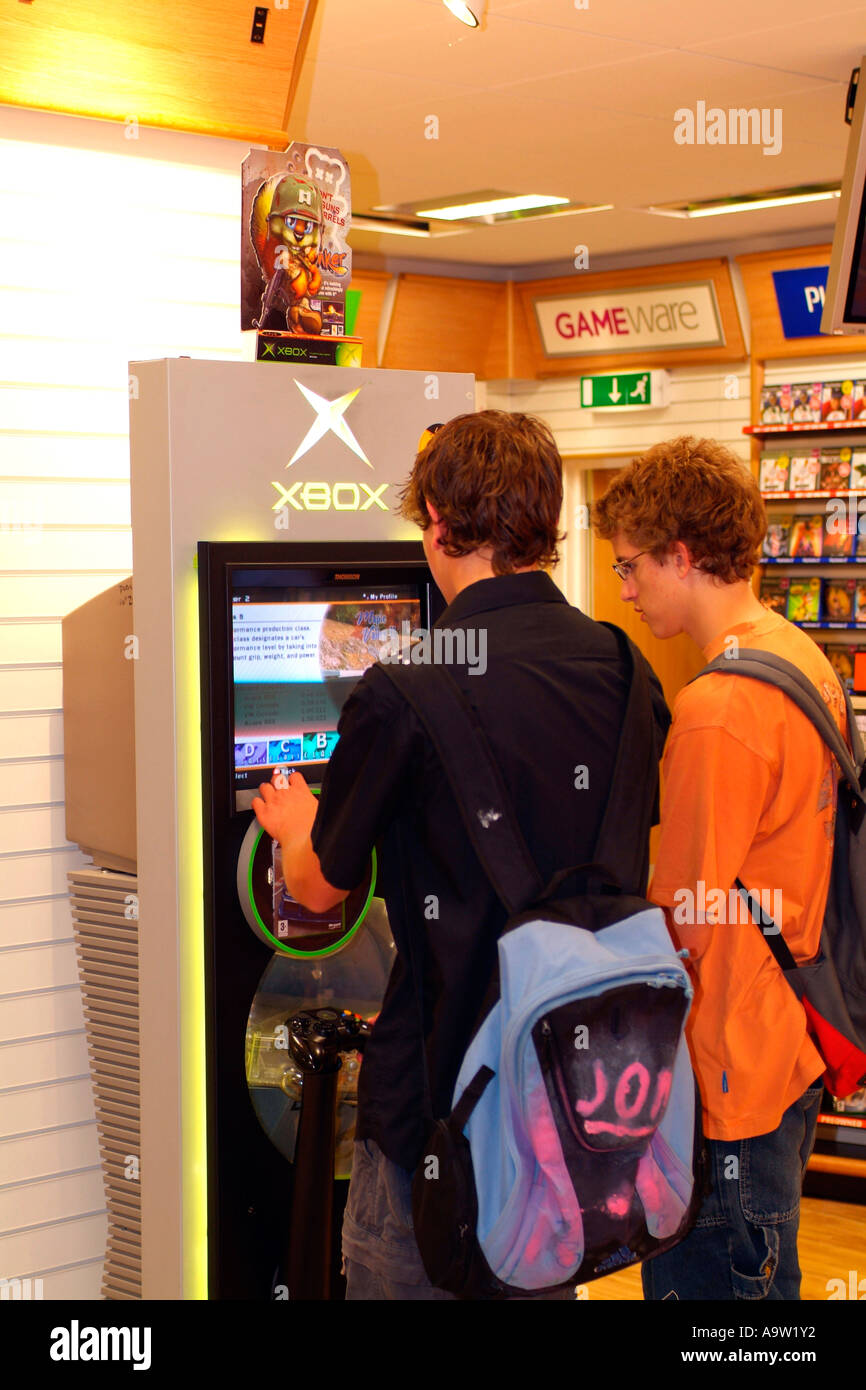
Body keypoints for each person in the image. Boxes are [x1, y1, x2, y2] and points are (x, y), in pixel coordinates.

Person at [253, 409, 670, 1300]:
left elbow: (321, 889)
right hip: (572, 1097)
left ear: (437, 519)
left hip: (434, 1099)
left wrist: (293, 829)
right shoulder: (632, 673)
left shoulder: (403, 689)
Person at [593, 434, 843, 1301]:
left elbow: (681, 920)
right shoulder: (800, 657)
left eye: (632, 569)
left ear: (682, 555)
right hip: (787, 1037)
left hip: (722, 1071)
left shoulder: (715, 710)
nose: (625, 592)